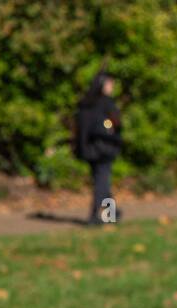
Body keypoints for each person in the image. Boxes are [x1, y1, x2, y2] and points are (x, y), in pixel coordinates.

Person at [73, 70, 123, 225]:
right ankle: (94, 215)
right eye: (110, 83)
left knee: (101, 180)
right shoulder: (106, 103)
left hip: (88, 148)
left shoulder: (86, 103)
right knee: (102, 181)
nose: (112, 87)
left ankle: (112, 213)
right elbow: (113, 124)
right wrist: (113, 132)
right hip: (103, 146)